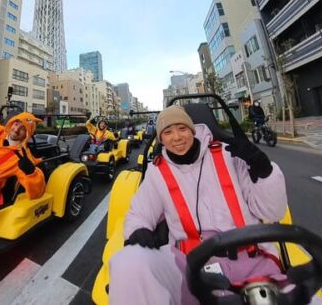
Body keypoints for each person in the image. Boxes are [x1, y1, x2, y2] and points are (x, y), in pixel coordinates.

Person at [108, 105, 293, 304]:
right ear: (161, 139)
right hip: (187, 265)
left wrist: (265, 171)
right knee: (125, 261)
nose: (176, 137)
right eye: (168, 132)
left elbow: (273, 212)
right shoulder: (156, 172)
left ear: (192, 130)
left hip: (251, 259)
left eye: (182, 128)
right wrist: (138, 230)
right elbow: (139, 214)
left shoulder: (230, 154)